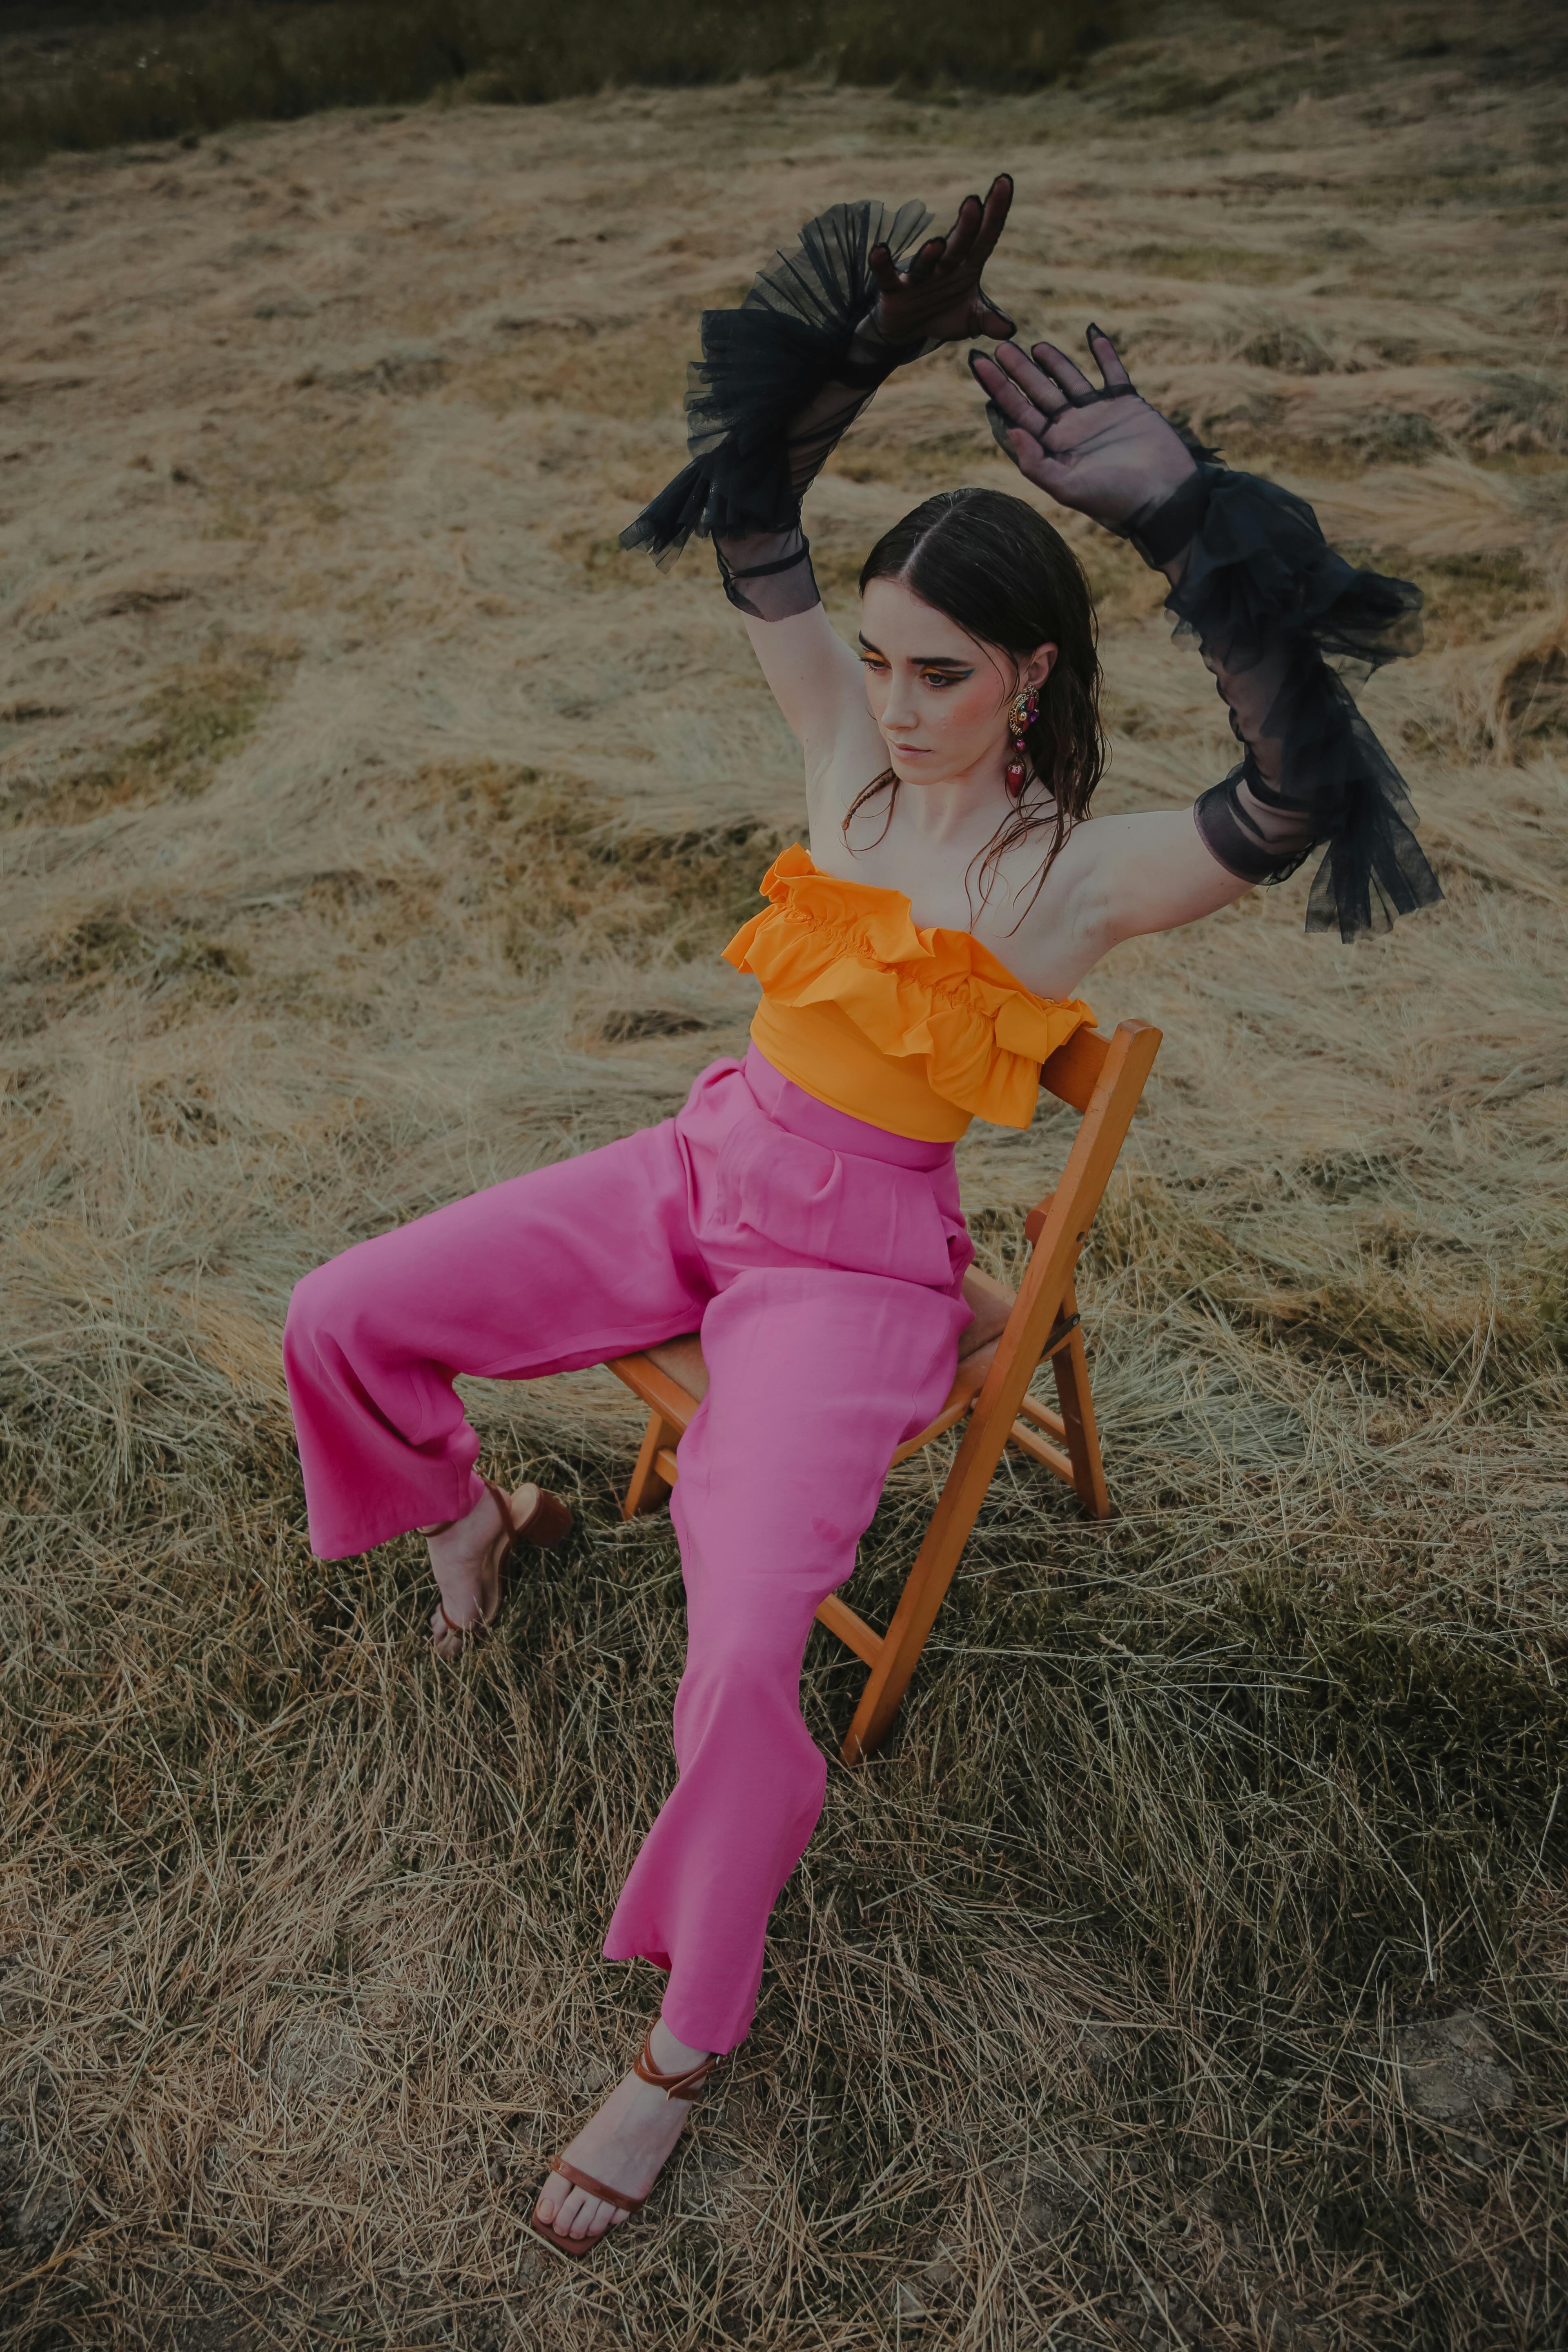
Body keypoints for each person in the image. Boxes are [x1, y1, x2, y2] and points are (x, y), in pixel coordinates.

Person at [281, 174, 1439, 2261]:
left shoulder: (1081, 873)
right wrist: (856, 354)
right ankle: (470, 1514)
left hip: (848, 1268)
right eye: (885, 662)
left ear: (1033, 675)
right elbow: (750, 517)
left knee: (739, 1666)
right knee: (344, 1307)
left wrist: (1189, 519)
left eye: (943, 674)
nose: (895, 702)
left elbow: (1297, 796)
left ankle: (681, 2048)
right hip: (697, 1168)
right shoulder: (841, 756)